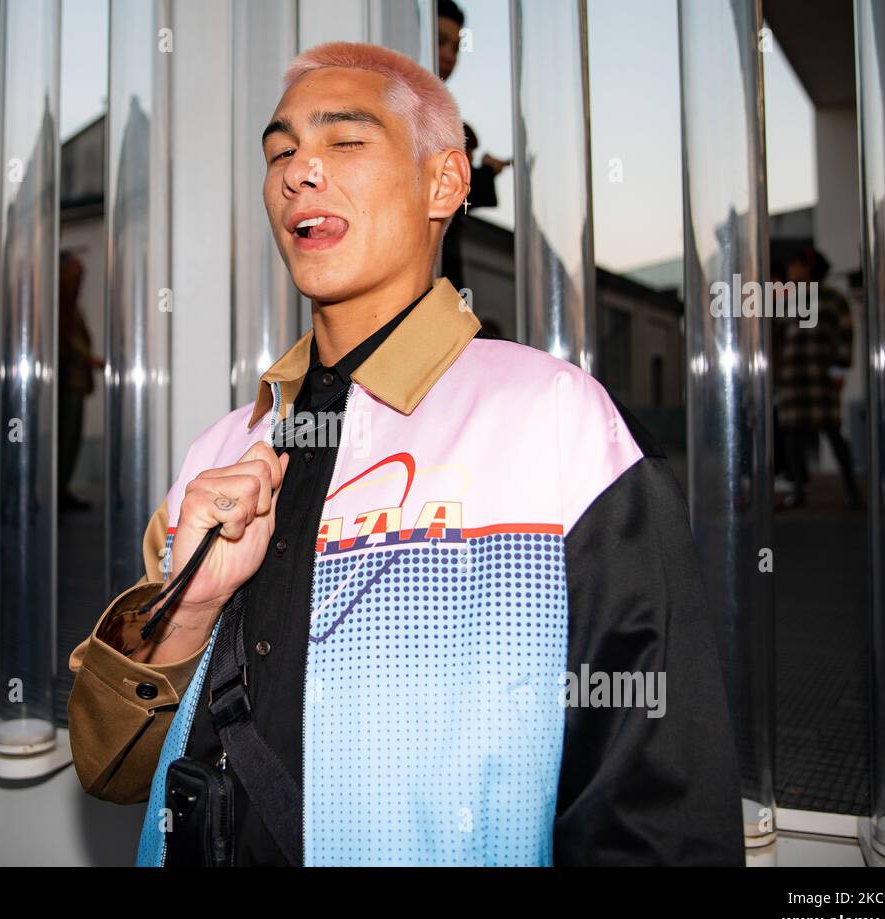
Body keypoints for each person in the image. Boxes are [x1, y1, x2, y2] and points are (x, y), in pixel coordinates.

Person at [67, 41, 743, 866]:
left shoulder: (557, 424)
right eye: (280, 151)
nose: (298, 172)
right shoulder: (221, 452)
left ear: (446, 184)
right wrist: (194, 610)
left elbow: (656, 811)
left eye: (344, 141)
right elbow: (111, 767)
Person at [777, 247, 860, 509]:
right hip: (792, 378)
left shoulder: (832, 298)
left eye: (794, 265)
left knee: (833, 433)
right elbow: (777, 337)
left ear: (807, 268)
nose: (790, 271)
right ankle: (798, 490)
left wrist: (839, 368)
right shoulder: (786, 299)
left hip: (819, 378)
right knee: (791, 436)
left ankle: (852, 491)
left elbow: (845, 333)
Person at [436, 0, 511, 292]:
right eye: (441, 41)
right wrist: (485, 174)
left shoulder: (444, 112)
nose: (448, 55)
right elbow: (437, 188)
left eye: (455, 47)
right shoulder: (414, 111)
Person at [57, 251, 103, 512]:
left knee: (71, 441)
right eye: (76, 271)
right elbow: (69, 341)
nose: (81, 276)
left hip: (76, 379)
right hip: (69, 379)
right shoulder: (62, 302)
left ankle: (62, 491)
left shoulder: (72, 307)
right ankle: (58, 494)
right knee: (65, 441)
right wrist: (89, 360)